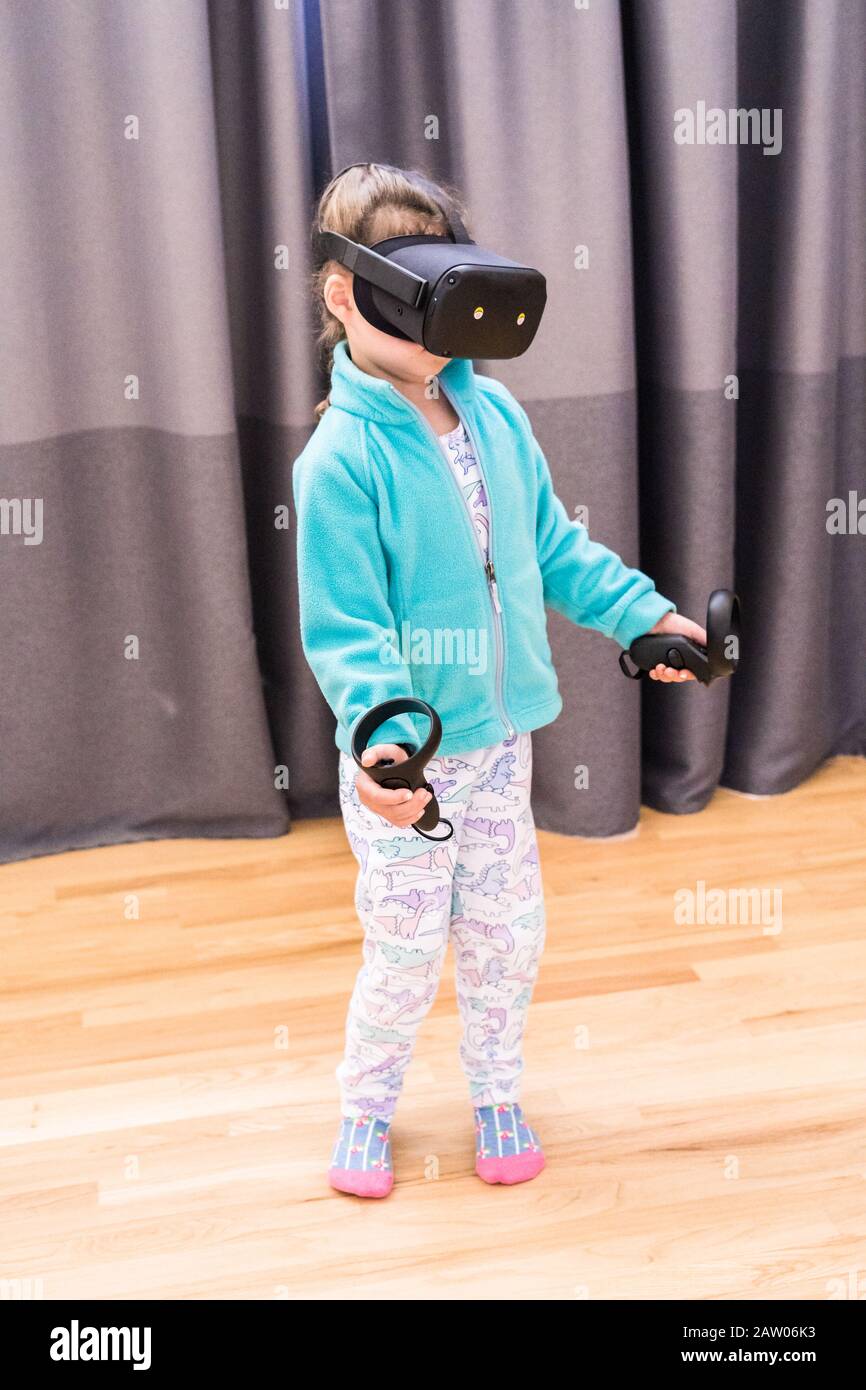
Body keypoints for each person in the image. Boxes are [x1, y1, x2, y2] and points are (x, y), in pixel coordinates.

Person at [293, 162, 706, 1198]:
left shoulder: (493, 417)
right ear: (346, 294)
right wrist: (386, 740)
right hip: (408, 765)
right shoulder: (340, 459)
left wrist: (644, 617)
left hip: (502, 744)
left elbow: (553, 548)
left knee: (504, 935)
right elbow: (346, 631)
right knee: (401, 946)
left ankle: (494, 1089)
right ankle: (365, 1107)